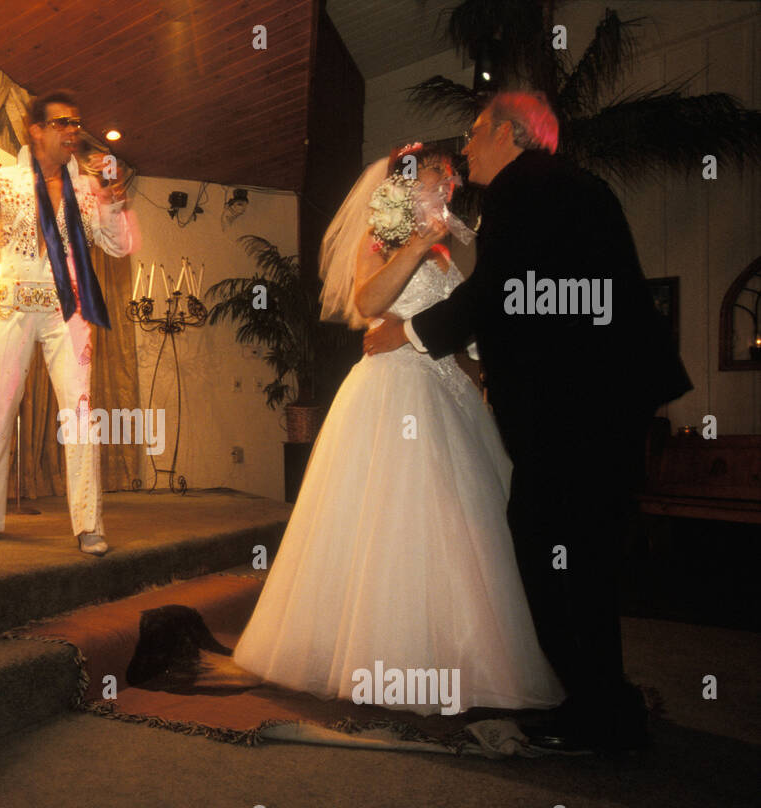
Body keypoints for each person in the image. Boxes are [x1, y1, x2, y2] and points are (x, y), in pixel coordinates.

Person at [364, 92, 692, 749]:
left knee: (553, 552)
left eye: (475, 133)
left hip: (576, 410)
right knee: (580, 555)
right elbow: (522, 300)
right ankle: (604, 703)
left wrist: (412, 331)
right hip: (600, 402)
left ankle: (597, 713)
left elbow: (496, 293)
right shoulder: (570, 187)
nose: (465, 148)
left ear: (511, 134)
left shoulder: (527, 188)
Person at [232, 144, 566, 716]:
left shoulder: (456, 243)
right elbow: (367, 301)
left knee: (464, 523)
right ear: (406, 183)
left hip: (446, 386)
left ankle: (463, 655)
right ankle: (376, 657)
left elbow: (470, 318)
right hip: (390, 387)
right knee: (391, 516)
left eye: (452, 174)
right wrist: (414, 244)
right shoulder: (382, 238)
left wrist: (478, 363)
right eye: (439, 172)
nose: (450, 180)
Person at [0, 91, 136, 556]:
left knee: (81, 413)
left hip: (69, 312)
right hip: (12, 306)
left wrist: (113, 199)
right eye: (63, 123)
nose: (73, 132)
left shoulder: (88, 188)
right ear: (37, 130)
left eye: (77, 123)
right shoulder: (3, 180)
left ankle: (89, 524)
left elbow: (118, 246)